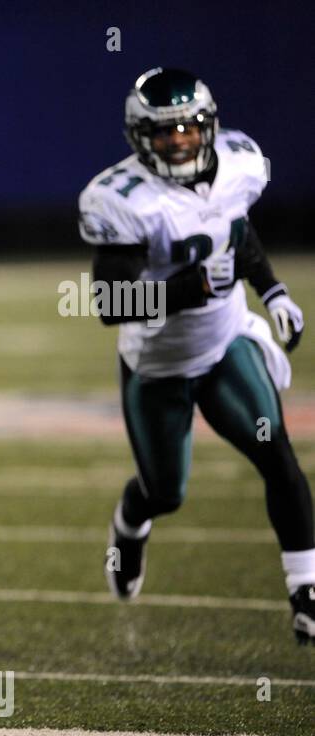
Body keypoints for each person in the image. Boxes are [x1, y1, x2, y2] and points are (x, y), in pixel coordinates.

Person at [78, 67, 312, 643]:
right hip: (158, 363)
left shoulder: (238, 162)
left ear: (209, 125)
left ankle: (306, 590)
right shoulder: (123, 198)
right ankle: (131, 523)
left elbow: (236, 231)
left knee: (277, 454)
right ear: (140, 137)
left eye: (189, 127)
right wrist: (191, 289)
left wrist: (273, 289)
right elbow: (110, 301)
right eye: (166, 131)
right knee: (166, 492)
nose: (180, 140)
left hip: (226, 341)